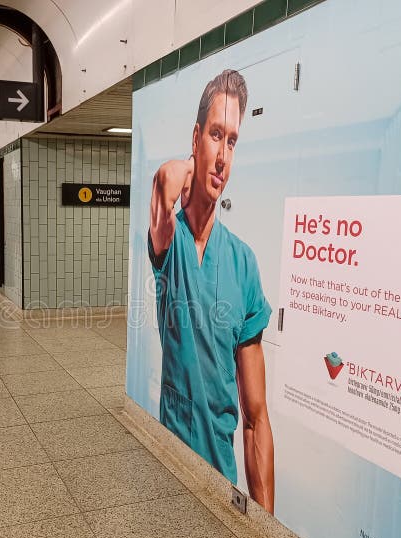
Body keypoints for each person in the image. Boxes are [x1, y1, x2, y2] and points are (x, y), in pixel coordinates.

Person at [148, 69, 275, 513]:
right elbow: (164, 182)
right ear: (197, 137)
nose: (223, 156)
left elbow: (256, 418)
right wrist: (188, 167)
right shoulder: (170, 240)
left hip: (222, 483)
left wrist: (267, 530)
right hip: (169, 467)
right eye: (216, 135)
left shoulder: (243, 264)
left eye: (233, 141)